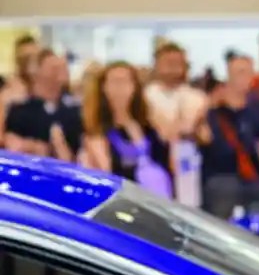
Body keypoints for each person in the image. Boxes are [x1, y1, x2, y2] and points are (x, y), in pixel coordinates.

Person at [79, 62, 173, 197]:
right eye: (115, 82)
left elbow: (165, 163)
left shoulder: (149, 128)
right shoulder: (96, 133)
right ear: (103, 88)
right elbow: (104, 172)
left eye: (125, 82)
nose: (120, 88)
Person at [203, 53, 259, 218]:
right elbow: (203, 137)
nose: (244, 78)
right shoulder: (213, 111)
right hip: (222, 175)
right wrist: (209, 103)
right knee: (224, 190)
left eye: (248, 72)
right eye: (239, 72)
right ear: (228, 76)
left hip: (255, 177)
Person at [144, 42, 207, 208]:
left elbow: (205, 135)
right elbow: (162, 132)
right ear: (157, 64)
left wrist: (192, 130)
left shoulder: (197, 97)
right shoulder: (146, 96)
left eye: (177, 63)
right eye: (168, 62)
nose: (173, 68)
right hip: (155, 160)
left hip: (189, 162)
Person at [2, 49, 82, 161]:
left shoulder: (74, 110)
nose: (58, 72)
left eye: (61, 68)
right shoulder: (20, 110)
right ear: (37, 71)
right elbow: (12, 144)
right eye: (53, 68)